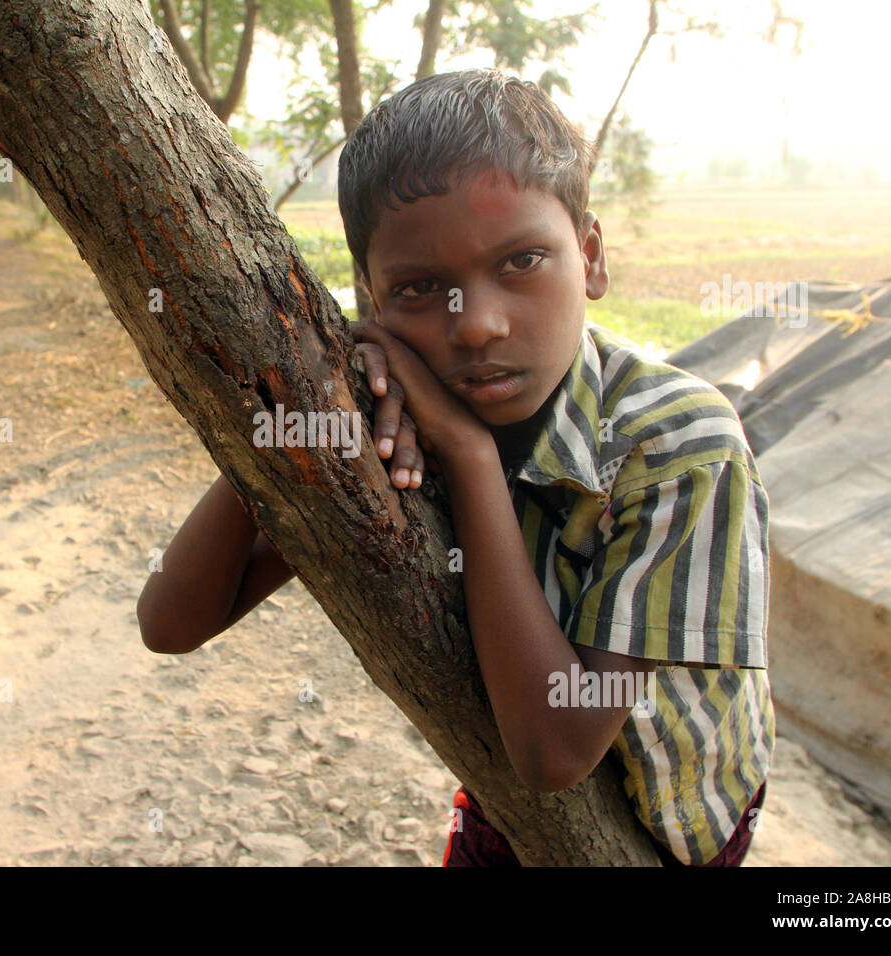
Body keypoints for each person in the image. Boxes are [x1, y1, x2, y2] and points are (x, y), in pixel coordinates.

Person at [138, 67, 775, 867]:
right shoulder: (392, 413)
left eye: (521, 262)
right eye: (420, 288)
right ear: (371, 303)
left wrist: (471, 459)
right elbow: (172, 624)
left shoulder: (679, 444)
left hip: (680, 819)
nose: (474, 325)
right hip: (504, 802)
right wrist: (307, 397)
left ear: (591, 257)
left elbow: (557, 747)